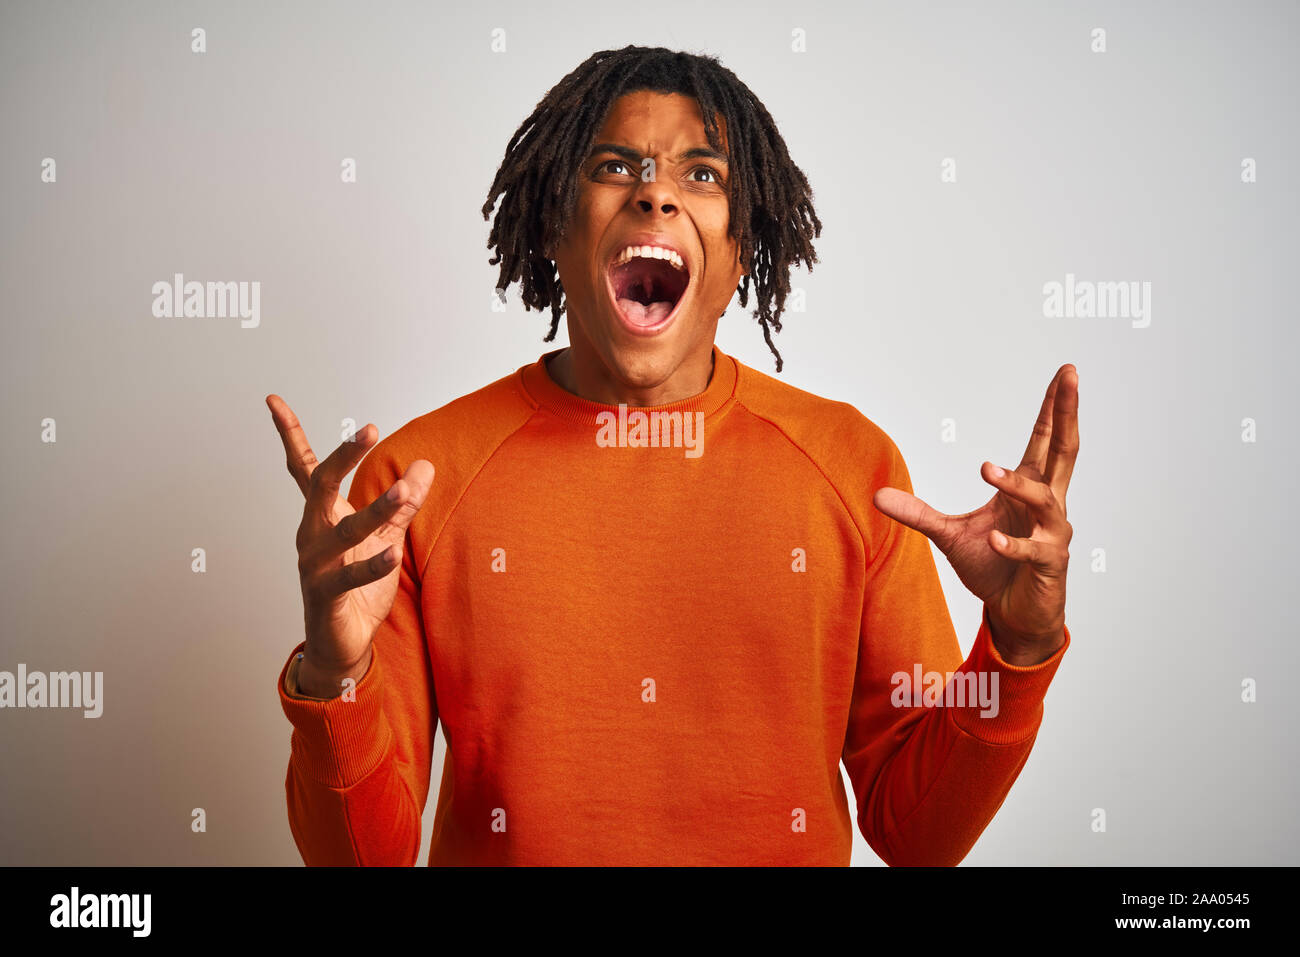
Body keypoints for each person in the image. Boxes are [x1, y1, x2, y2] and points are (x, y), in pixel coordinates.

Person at [266, 45, 1077, 866]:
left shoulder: (852, 466)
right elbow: (364, 860)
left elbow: (919, 833)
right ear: (554, 225)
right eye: (616, 166)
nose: (655, 191)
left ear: (735, 261)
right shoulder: (413, 485)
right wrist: (338, 672)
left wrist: (1016, 643)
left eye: (702, 175)